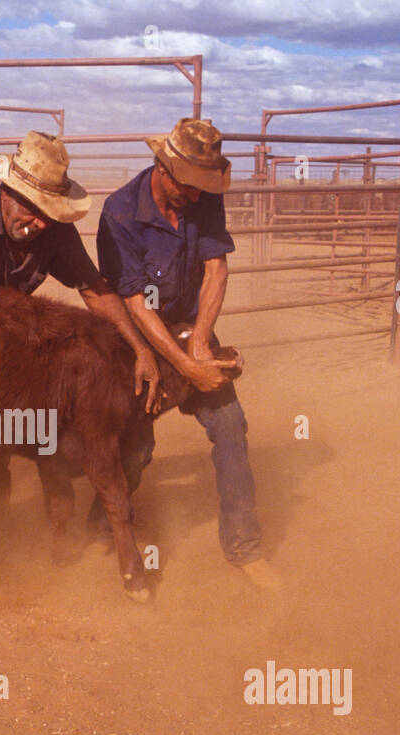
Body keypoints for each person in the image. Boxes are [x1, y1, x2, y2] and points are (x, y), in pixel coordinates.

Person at [0, 130, 160, 599]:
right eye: (29, 206)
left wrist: (141, 349)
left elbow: (93, 289)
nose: (38, 221)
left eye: (47, 212)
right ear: (8, 191)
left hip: (2, 360)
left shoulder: (54, 233)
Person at [97, 117, 281, 589]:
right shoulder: (119, 211)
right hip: (136, 339)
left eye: (205, 187)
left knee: (231, 425)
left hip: (187, 327)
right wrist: (183, 367)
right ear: (162, 166)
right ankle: (101, 526)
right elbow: (134, 301)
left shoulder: (203, 198)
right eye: (189, 186)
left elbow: (216, 268)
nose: (197, 196)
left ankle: (244, 547)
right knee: (135, 443)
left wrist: (201, 341)